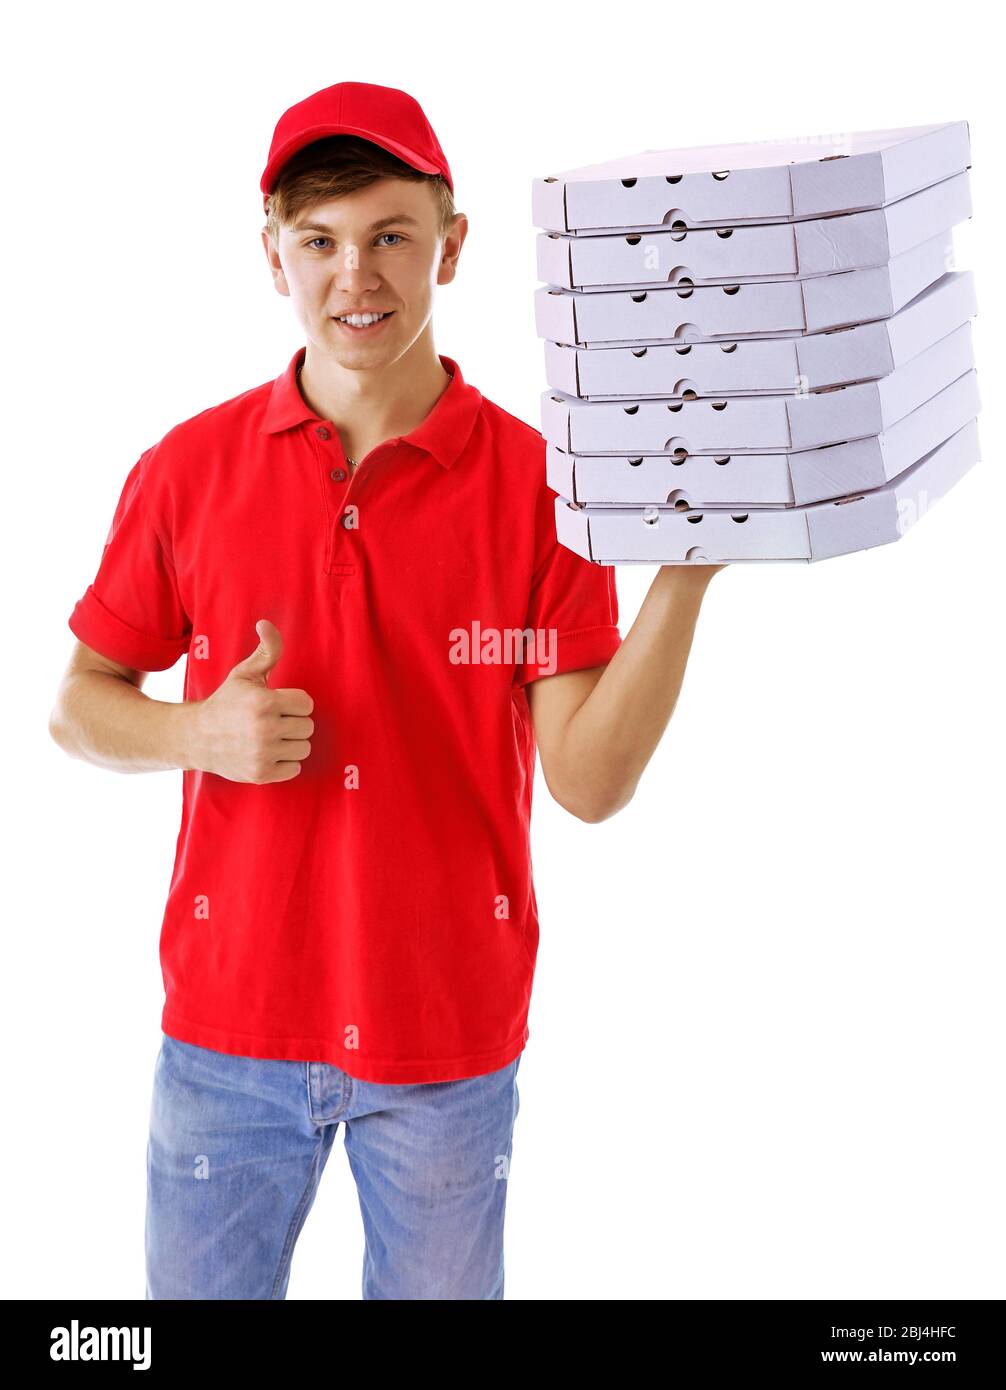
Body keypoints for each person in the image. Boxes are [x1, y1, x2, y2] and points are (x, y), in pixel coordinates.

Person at [48, 80, 723, 1301]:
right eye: (320, 242)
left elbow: (586, 782)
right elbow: (77, 702)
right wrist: (195, 728)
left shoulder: (542, 487)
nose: (355, 276)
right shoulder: (185, 470)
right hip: (228, 1030)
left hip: (445, 1035)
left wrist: (686, 566)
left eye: (390, 236)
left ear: (450, 246)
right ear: (274, 260)